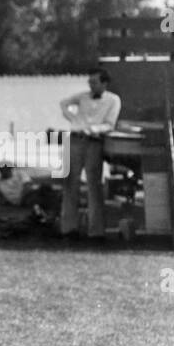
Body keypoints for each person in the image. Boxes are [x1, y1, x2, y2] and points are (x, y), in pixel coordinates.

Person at [58, 67, 121, 241]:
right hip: (75, 140)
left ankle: (96, 231)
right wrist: (74, 120)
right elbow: (63, 103)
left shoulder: (113, 100)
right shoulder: (83, 97)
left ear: (104, 83)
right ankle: (68, 228)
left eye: (94, 82)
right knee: (71, 183)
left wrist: (93, 129)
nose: (91, 86)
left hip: (94, 142)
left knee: (94, 186)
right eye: (89, 82)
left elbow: (110, 124)